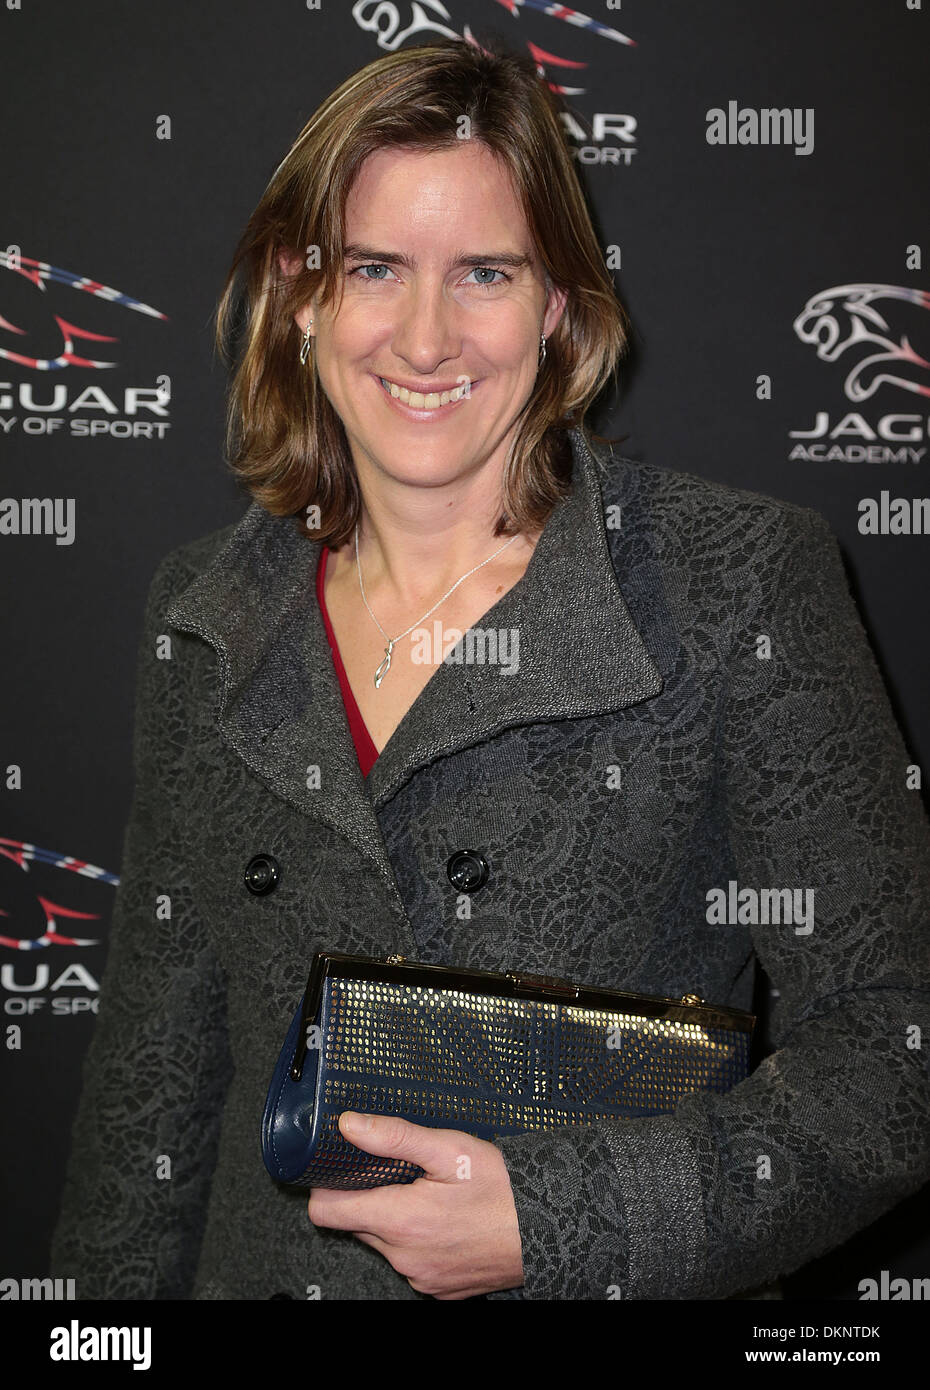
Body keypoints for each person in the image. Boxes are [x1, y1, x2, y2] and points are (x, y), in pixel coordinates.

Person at [51, 37, 930, 1301]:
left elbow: (895, 1048)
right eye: (374, 270)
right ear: (304, 298)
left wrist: (562, 1219)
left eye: (485, 272)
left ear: (558, 305)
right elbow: (152, 1095)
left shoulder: (736, 581)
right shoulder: (207, 615)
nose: (423, 336)